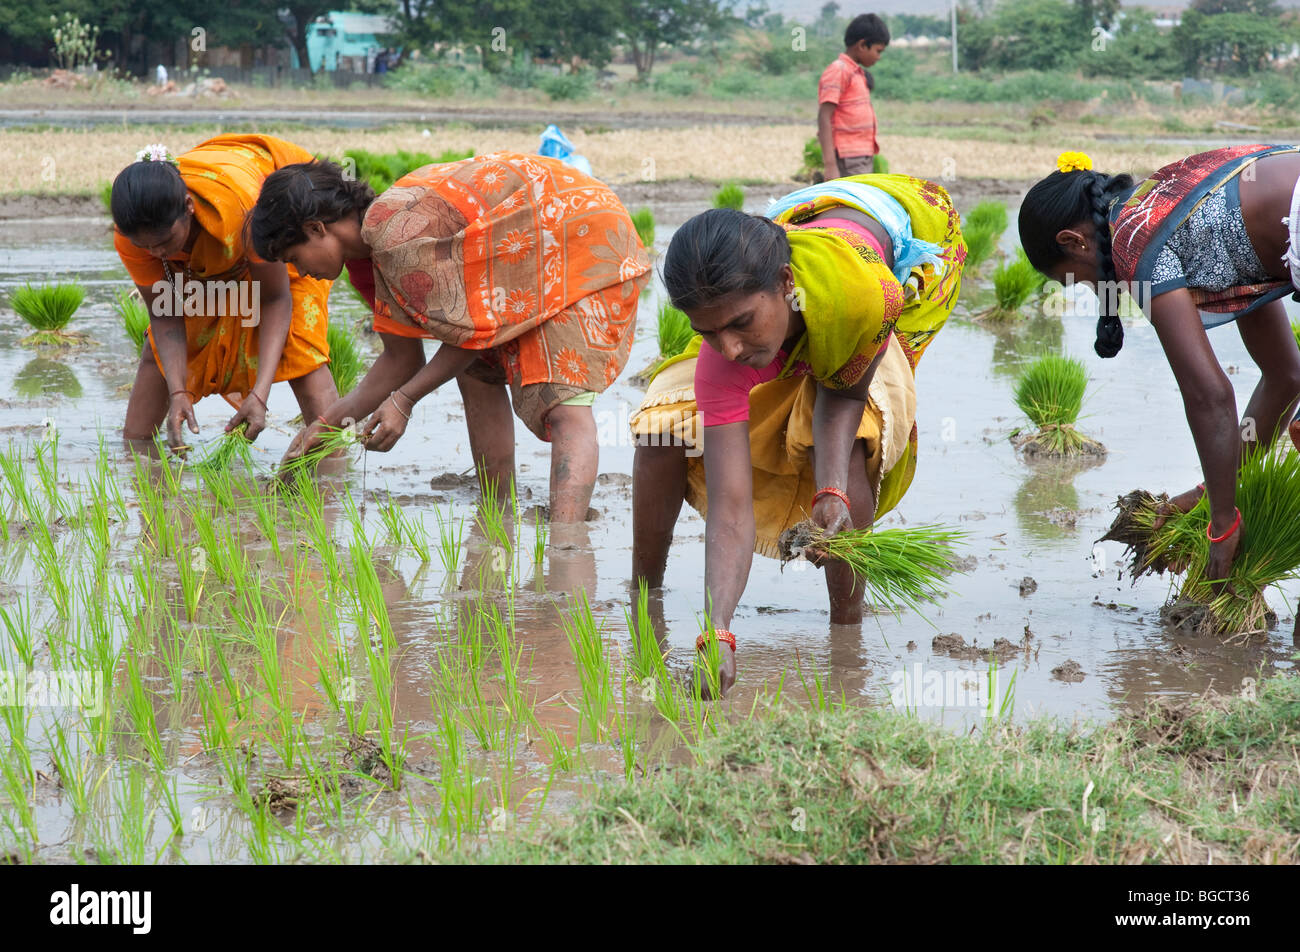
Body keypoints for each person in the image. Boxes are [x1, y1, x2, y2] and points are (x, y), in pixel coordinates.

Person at [630, 174, 965, 695]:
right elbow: (731, 506)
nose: (730, 349)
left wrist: (829, 490)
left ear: (786, 283)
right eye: (707, 333)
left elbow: (845, 396)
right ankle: (642, 593)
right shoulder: (721, 356)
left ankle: (847, 635)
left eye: (742, 322)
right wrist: (718, 630)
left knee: (854, 445)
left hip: (907, 246)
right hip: (809, 223)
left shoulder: (863, 298)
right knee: (662, 427)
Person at [248, 151, 653, 522]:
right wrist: (325, 425)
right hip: (530, 250)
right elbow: (400, 361)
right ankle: (497, 513)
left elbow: (472, 334)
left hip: (582, 238)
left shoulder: (394, 236)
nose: (300, 273)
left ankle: (568, 541)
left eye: (294, 259)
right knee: (477, 371)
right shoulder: (367, 261)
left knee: (561, 400)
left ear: (316, 228)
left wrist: (404, 401)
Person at [1019, 147, 1300, 584]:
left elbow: (1209, 396)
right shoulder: (1167, 203)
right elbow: (1287, 376)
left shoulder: (1135, 240)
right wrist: (1211, 493)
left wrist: (1223, 524)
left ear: (1073, 242)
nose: (1087, 291)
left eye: (1070, 279)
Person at [111, 135, 337, 453]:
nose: (155, 252)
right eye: (144, 245)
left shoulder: (243, 215)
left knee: (300, 346)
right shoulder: (133, 236)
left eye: (163, 240)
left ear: (188, 208)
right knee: (158, 354)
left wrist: (259, 395)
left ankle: (333, 466)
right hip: (210, 253)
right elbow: (164, 313)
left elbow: (275, 298)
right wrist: (179, 393)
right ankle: (137, 453)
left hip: (280, 223)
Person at [818, 13, 888, 183]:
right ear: (862, 45)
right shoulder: (839, 70)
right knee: (853, 205)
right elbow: (824, 116)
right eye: (878, 51)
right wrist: (830, 165)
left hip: (860, 154)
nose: (879, 57)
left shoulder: (857, 73)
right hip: (847, 157)